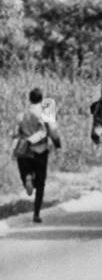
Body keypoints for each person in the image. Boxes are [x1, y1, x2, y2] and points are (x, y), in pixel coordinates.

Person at [12, 88, 61, 223]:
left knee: (26, 172)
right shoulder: (46, 109)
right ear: (41, 98)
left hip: (24, 150)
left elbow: (15, 133)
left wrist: (16, 146)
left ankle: (28, 177)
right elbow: (53, 130)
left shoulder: (21, 114)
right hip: (40, 150)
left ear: (30, 99)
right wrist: (57, 144)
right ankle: (36, 214)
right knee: (40, 184)